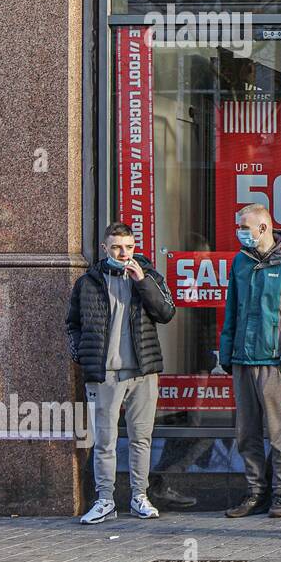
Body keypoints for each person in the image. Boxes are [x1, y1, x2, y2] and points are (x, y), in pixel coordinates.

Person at [66, 222, 176, 524]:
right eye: (116, 247)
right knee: (105, 440)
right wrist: (79, 353)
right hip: (104, 374)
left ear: (135, 246)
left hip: (142, 372)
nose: (123, 253)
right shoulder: (88, 282)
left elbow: (166, 313)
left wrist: (143, 282)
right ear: (105, 248)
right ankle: (105, 500)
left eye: (128, 247)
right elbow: (72, 323)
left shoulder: (148, 275)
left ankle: (140, 496)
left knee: (141, 438)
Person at [219, 204, 281, 519]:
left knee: (277, 431)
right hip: (242, 360)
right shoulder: (241, 263)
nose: (240, 233)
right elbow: (231, 310)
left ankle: (280, 494)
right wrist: (227, 350)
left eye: (245, 228)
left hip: (273, 361)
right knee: (246, 432)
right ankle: (255, 491)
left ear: (263, 228)